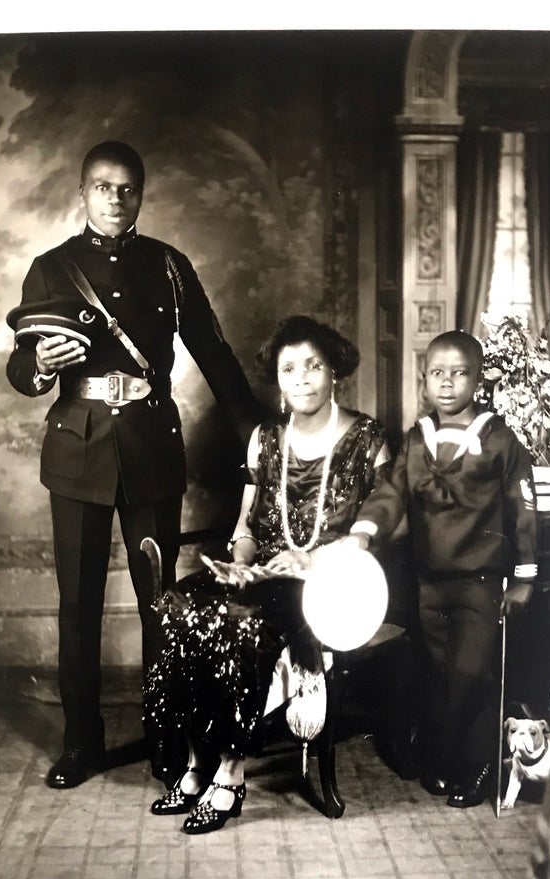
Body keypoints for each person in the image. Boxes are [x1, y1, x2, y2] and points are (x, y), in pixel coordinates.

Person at [5, 140, 261, 790]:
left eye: (127, 189)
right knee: (78, 604)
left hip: (150, 448)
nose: (115, 199)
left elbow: (213, 351)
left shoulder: (169, 266)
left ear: (141, 195)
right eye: (103, 187)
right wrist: (40, 366)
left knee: (159, 603)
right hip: (78, 451)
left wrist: (257, 433)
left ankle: (165, 739)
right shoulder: (51, 267)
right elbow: (21, 362)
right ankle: (80, 743)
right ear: (82, 193)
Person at [143, 315, 389, 834]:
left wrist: (312, 561)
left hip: (328, 585)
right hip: (263, 574)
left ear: (334, 372)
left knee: (241, 624)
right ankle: (196, 763)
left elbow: (383, 531)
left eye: (313, 366)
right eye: (289, 369)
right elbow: (247, 526)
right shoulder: (265, 439)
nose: (302, 379)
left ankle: (230, 775)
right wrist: (240, 562)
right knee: (179, 605)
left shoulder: (367, 438)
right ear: (277, 380)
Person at [344, 329, 537, 808]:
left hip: (480, 582)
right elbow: (391, 492)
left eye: (460, 373)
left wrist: (525, 578)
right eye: (437, 373)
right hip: (429, 582)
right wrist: (364, 531)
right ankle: (445, 761)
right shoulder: (416, 440)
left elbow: (524, 509)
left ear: (478, 380)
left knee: (471, 675)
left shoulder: (499, 439)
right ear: (424, 379)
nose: (447, 383)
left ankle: (478, 767)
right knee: (438, 672)